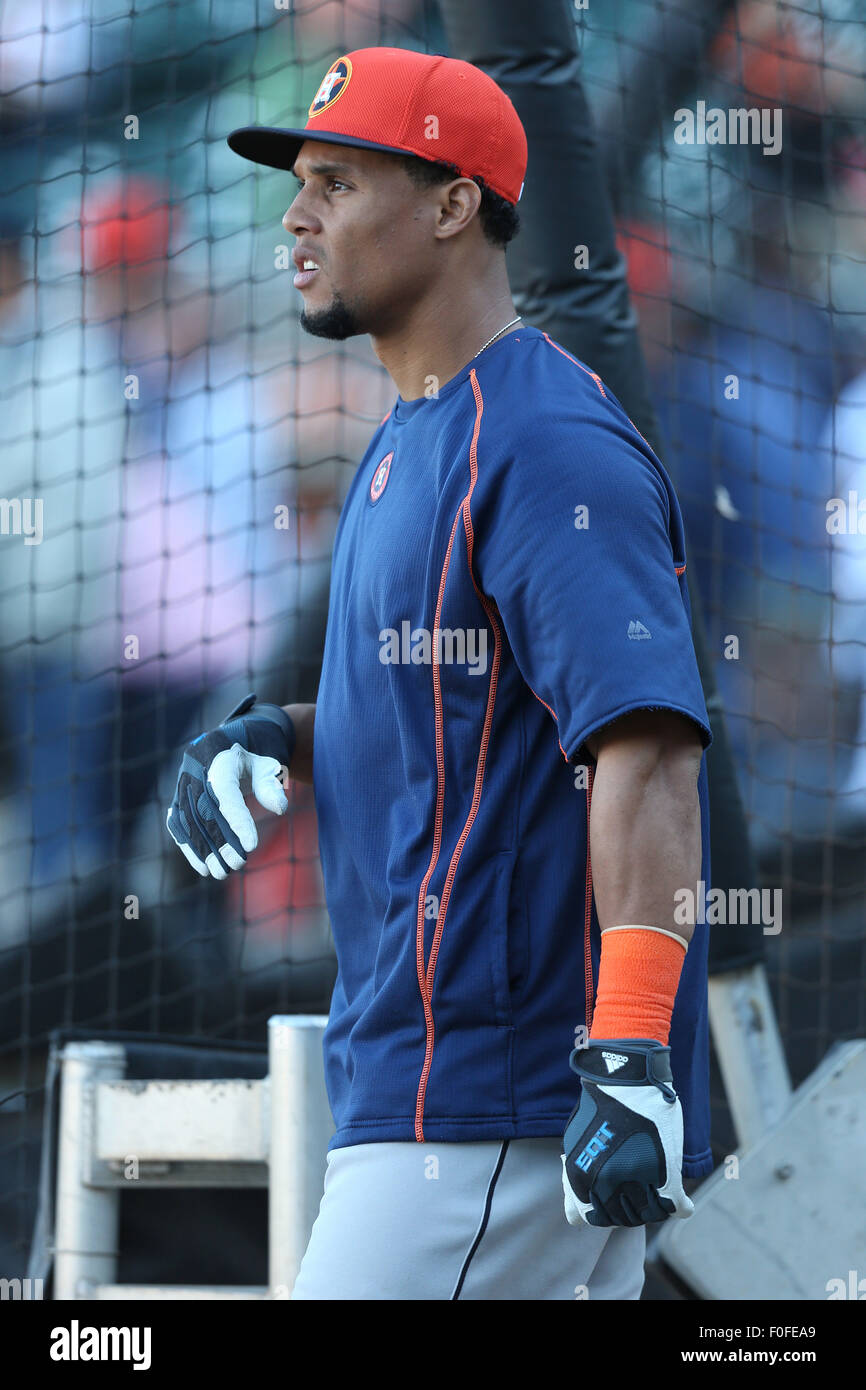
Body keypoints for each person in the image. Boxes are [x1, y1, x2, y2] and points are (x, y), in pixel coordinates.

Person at [168, 47, 714, 1300]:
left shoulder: (544, 437)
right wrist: (279, 734)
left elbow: (646, 749)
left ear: (454, 203)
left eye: (337, 183)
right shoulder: (410, 435)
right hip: (435, 1097)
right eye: (297, 186)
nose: (296, 218)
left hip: (496, 1107)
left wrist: (626, 1052)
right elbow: (447, 706)